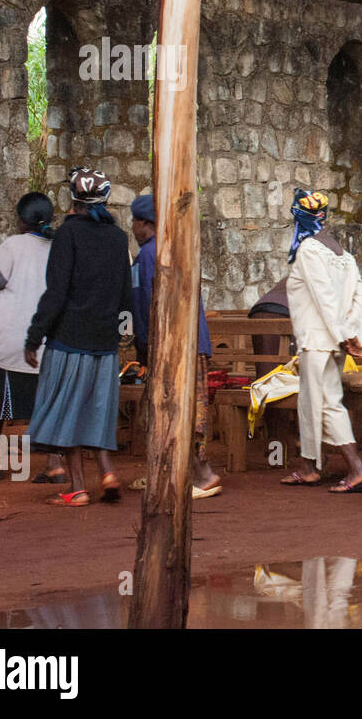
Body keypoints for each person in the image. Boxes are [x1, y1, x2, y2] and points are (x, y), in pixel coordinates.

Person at [24, 167, 133, 506]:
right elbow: (125, 295)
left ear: (72, 199)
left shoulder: (67, 236)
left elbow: (55, 293)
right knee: (97, 410)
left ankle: (77, 488)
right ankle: (108, 472)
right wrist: (125, 335)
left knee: (70, 411)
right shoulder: (118, 239)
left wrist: (34, 336)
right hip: (104, 344)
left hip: (69, 341)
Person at [278, 189, 362, 493]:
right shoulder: (342, 254)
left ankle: (356, 468)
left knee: (324, 404)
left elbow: (324, 297)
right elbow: (359, 296)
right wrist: (351, 335)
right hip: (333, 339)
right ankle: (308, 466)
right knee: (315, 403)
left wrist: (345, 336)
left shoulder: (308, 250)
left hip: (319, 340)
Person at [129, 194, 222, 499]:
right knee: (173, 410)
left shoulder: (148, 254)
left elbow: (145, 305)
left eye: (135, 222)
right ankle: (166, 473)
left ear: (146, 224)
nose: (132, 228)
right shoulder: (181, 247)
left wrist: (143, 347)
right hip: (192, 343)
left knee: (176, 411)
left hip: (171, 345)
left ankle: (203, 474)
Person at [0, 193, 55, 481]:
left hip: (12, 342)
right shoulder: (58, 248)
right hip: (47, 343)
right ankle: (55, 466)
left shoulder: (12, 246)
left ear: (20, 220)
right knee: (50, 405)